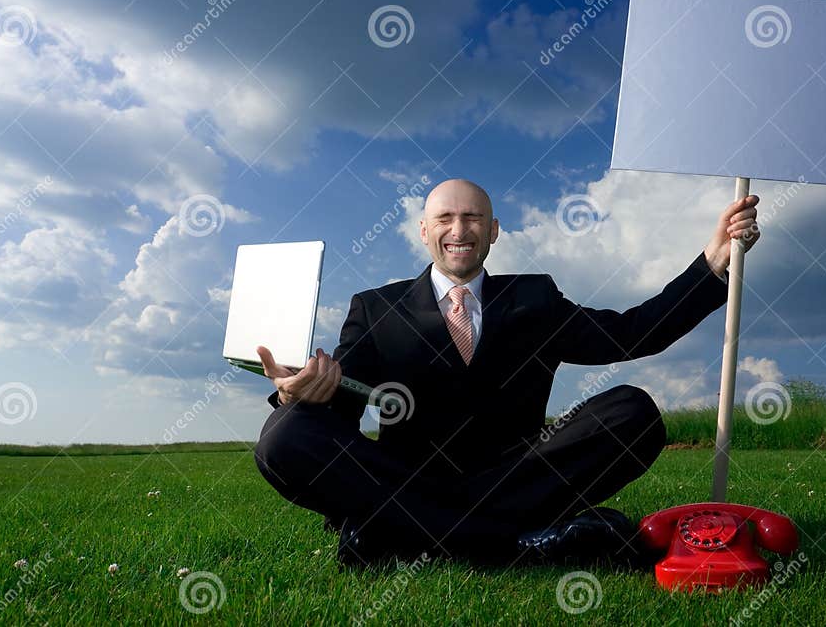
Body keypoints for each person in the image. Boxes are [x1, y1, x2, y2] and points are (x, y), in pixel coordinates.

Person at [254, 179, 760, 566]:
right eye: (445, 218)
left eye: (472, 217)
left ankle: (401, 535)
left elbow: (632, 333)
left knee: (633, 411)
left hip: (516, 474)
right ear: (424, 231)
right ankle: (518, 543)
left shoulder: (534, 298)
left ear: (493, 231)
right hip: (408, 478)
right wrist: (303, 392)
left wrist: (711, 264)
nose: (459, 230)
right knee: (285, 433)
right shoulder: (375, 308)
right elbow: (343, 404)